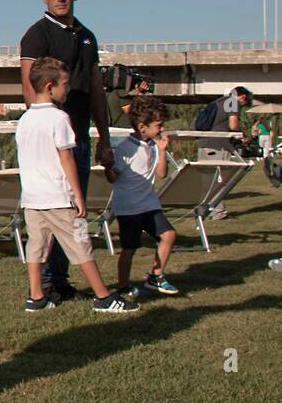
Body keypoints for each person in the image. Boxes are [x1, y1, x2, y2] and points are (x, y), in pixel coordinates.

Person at [19, 0, 115, 304]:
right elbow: (31, 89)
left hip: (80, 137)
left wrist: (104, 136)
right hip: (54, 140)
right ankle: (45, 285)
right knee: (54, 212)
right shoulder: (37, 35)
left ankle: (59, 282)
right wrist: (44, 130)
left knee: (71, 210)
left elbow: (96, 90)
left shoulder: (88, 37)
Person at [17, 57, 135, 313]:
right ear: (50, 87)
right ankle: (103, 297)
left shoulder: (24, 120)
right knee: (81, 244)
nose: (68, 90)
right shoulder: (59, 118)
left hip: (32, 198)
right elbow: (66, 159)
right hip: (58, 197)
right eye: (65, 85)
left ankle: (36, 297)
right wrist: (78, 196)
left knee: (36, 246)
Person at [103, 94, 178, 298]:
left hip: (149, 205)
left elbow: (161, 174)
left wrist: (162, 151)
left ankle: (156, 276)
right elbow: (112, 177)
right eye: (159, 125)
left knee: (169, 235)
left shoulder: (153, 145)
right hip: (129, 209)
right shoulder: (125, 149)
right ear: (143, 126)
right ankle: (124, 285)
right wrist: (107, 166)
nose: (162, 129)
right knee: (129, 249)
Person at [196, 85, 253, 219]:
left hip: (204, 144)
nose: (242, 107)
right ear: (243, 97)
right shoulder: (232, 102)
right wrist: (242, 136)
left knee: (207, 180)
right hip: (218, 145)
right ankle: (218, 212)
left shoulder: (219, 101)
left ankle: (206, 210)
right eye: (244, 104)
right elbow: (233, 126)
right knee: (219, 179)